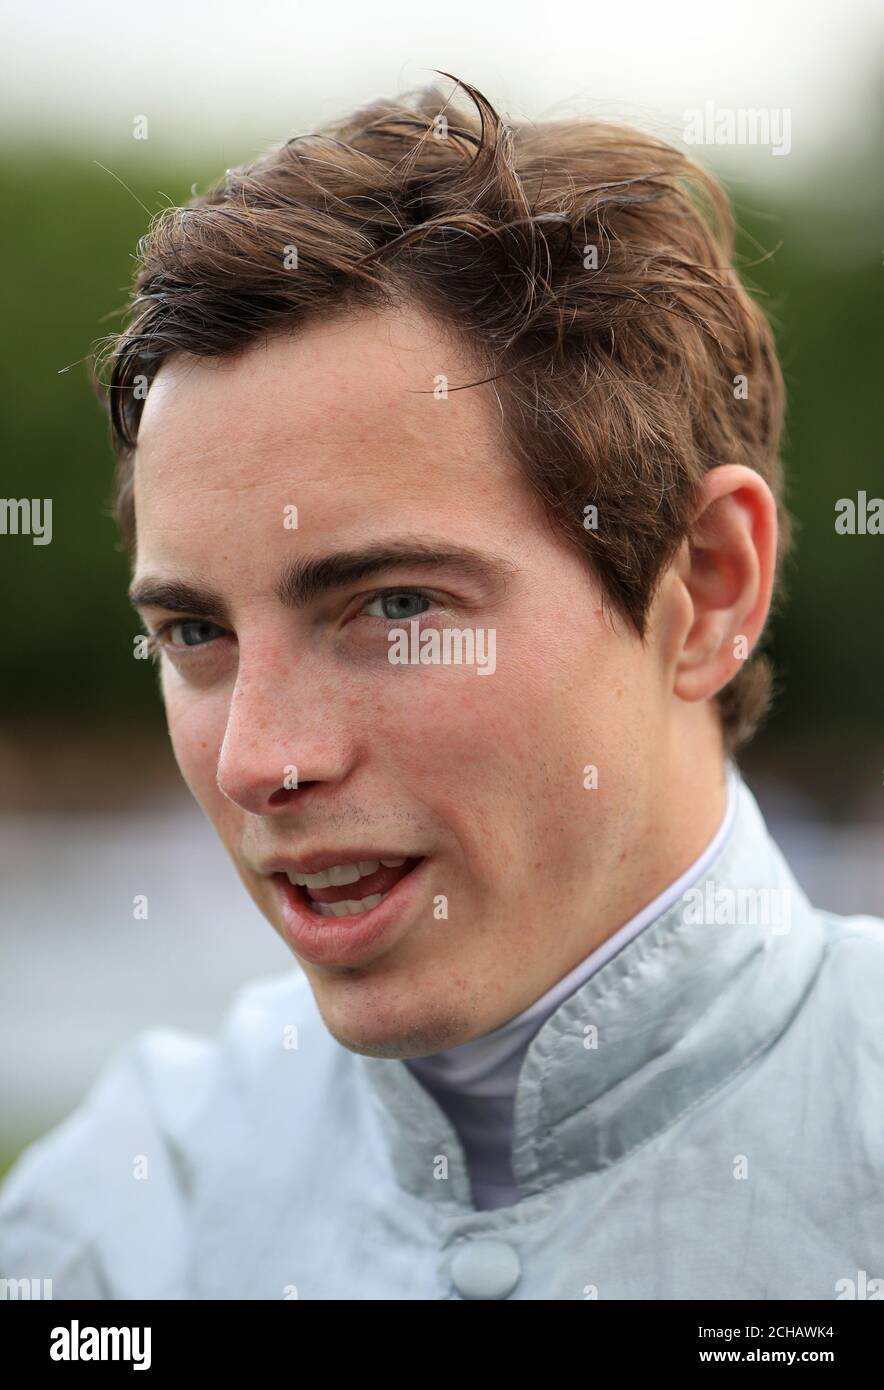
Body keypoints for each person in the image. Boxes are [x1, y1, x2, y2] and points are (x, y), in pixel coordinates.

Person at [2, 74, 882, 1301]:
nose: (259, 760)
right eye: (196, 630)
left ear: (707, 588)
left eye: (396, 607)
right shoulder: (120, 1201)